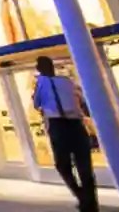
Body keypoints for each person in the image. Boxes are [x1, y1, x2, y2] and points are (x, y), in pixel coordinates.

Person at [32, 56, 98, 212]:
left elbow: (37, 103)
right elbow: (80, 99)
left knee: (64, 165)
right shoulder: (66, 81)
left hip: (59, 125)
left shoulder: (41, 83)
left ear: (41, 68)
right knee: (84, 166)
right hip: (75, 123)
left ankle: (83, 198)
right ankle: (88, 202)